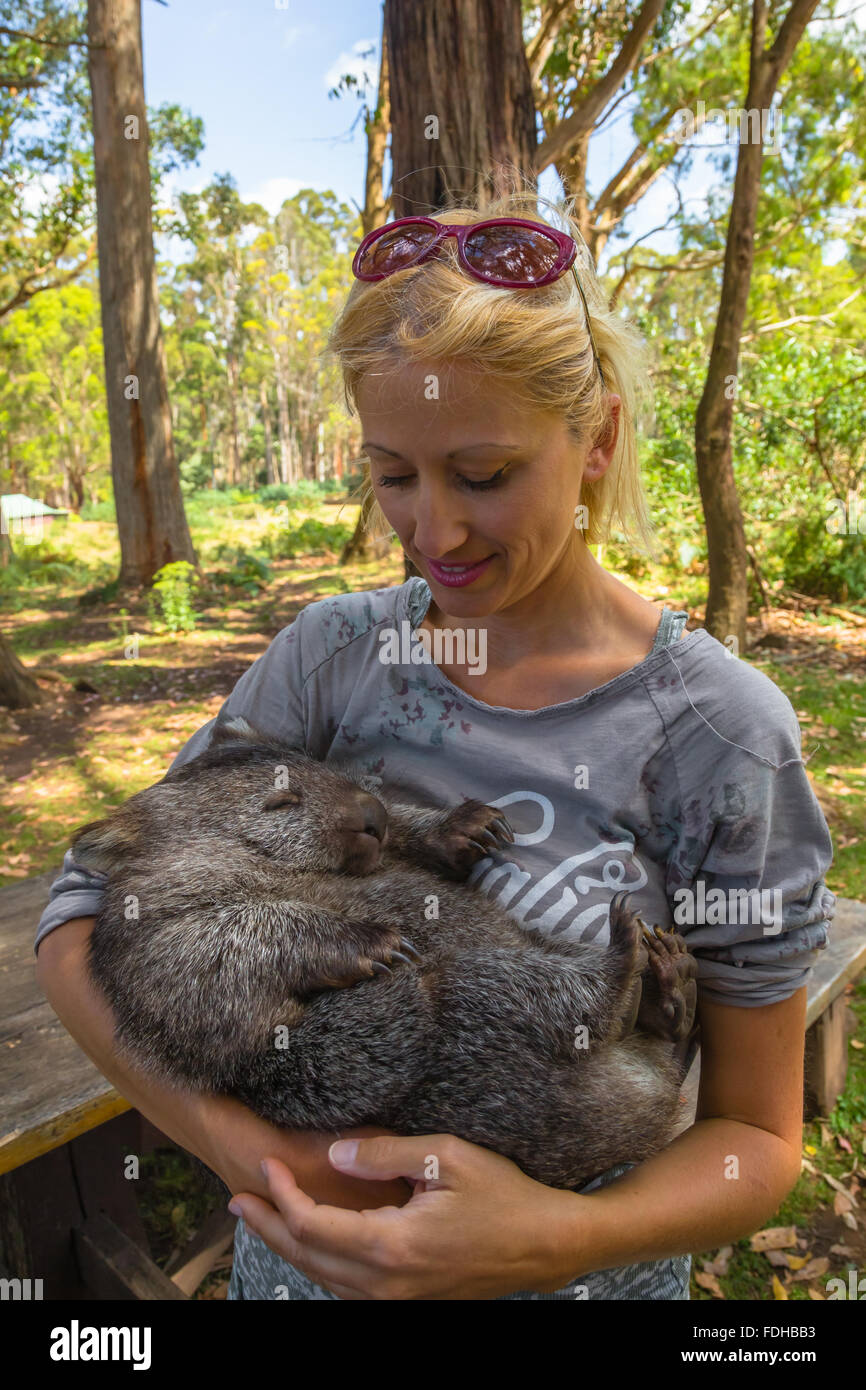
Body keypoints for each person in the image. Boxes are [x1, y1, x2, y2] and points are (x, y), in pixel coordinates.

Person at [34, 195, 835, 1301]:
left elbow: (754, 1137)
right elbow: (87, 914)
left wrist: (546, 1238)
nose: (433, 533)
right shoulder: (332, 656)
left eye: (483, 474)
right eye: (394, 474)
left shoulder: (718, 732)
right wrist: (253, 1150)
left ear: (595, 439)